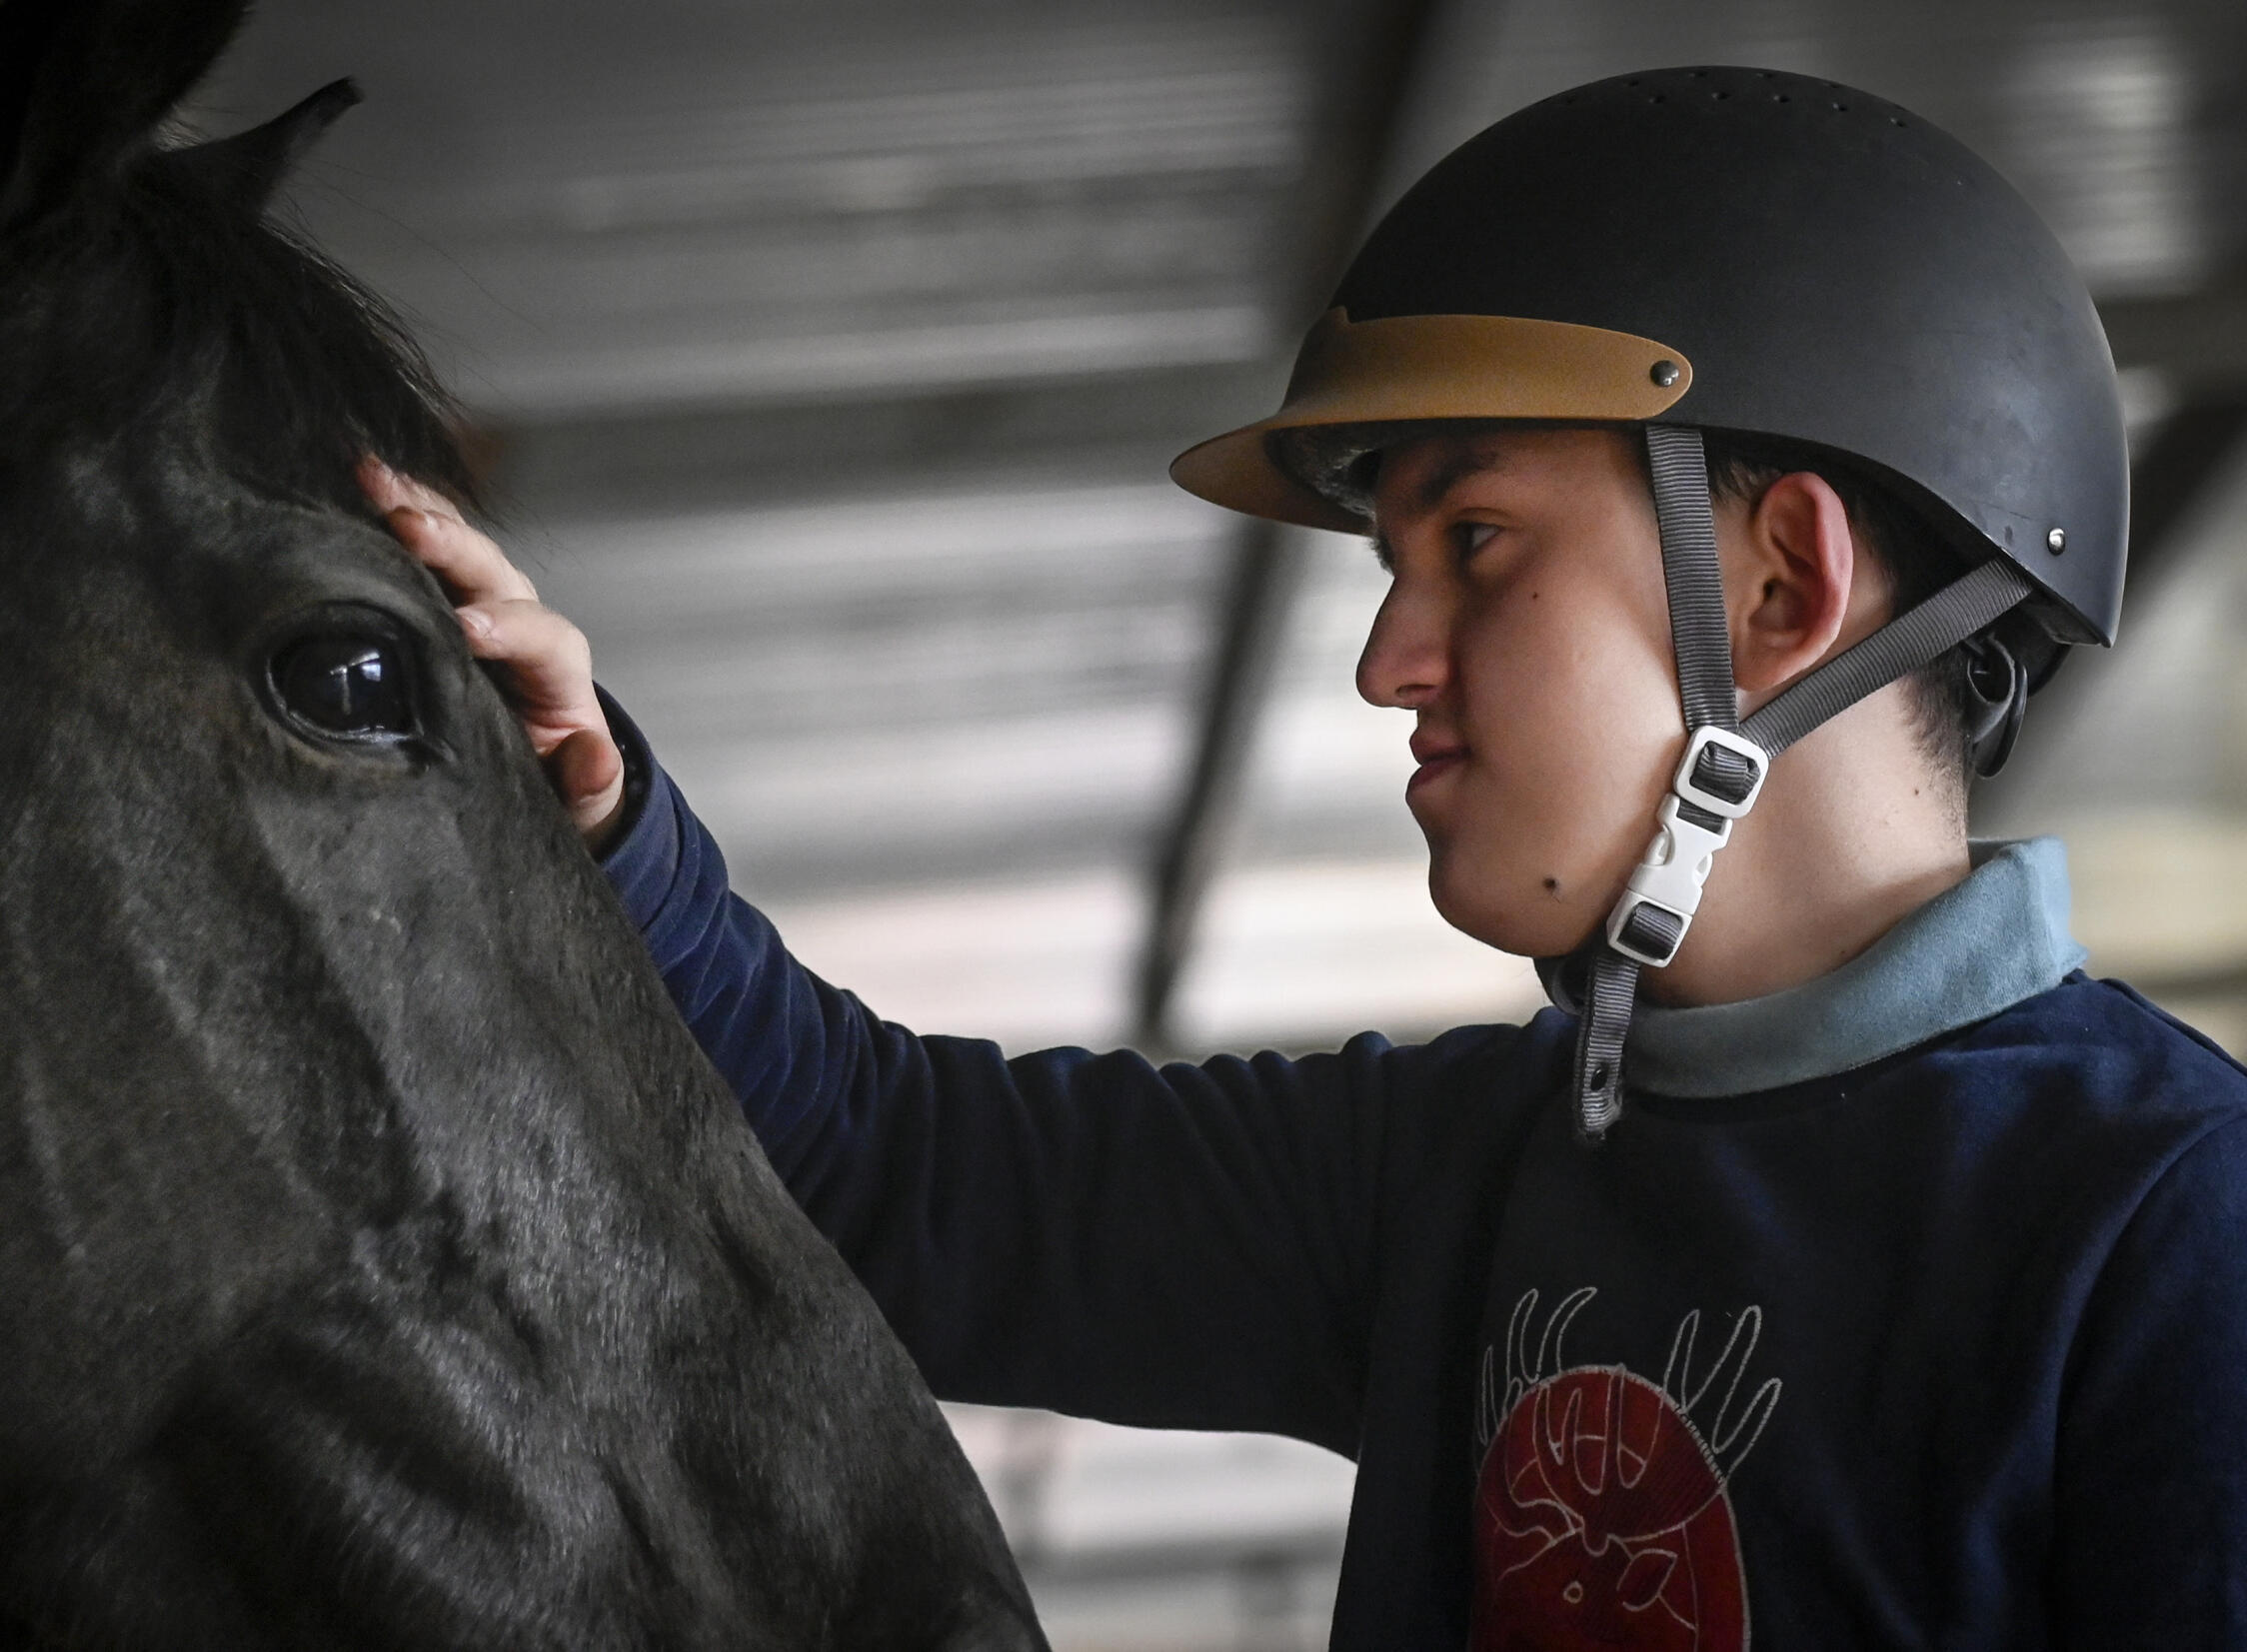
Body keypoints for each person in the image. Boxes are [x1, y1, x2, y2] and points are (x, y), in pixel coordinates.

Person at [368, 67, 2247, 1648]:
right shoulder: (1453, 1174)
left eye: (1480, 544)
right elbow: (883, 1167)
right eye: (1389, 575)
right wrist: (596, 814)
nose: (1383, 662)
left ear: (1783, 583)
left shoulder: (2168, 1232)